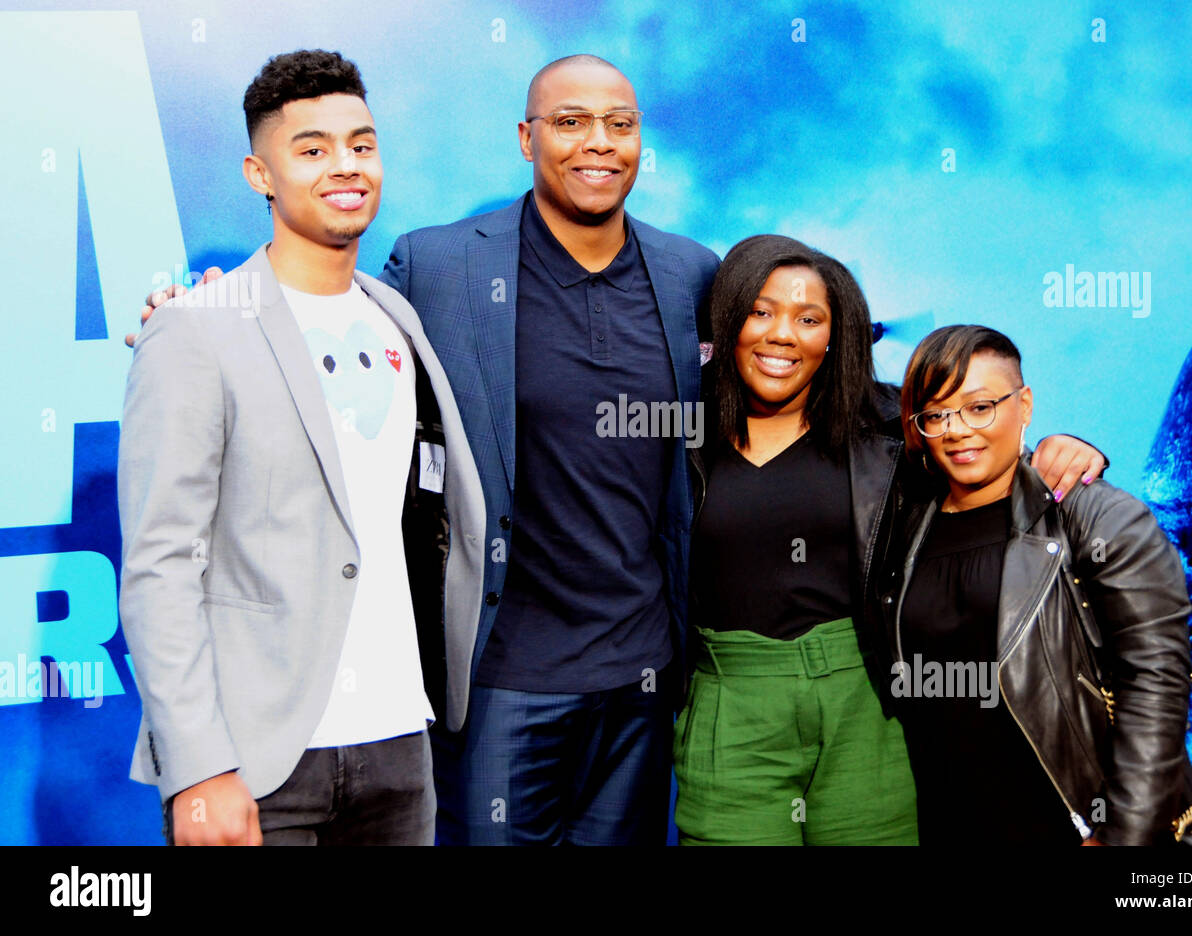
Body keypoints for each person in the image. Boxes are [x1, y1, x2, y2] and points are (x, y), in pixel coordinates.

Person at [135, 54, 718, 845]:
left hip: (638, 678)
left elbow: (771, 390)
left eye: (620, 125)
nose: (599, 144)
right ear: (526, 137)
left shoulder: (690, 274)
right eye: (571, 122)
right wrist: (196, 310)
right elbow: (298, 316)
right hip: (495, 681)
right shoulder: (437, 268)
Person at [118, 50, 486, 845]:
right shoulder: (196, 327)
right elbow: (159, 566)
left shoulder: (399, 317)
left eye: (362, 143)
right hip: (256, 757)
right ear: (261, 173)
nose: (345, 166)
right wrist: (197, 767)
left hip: (400, 746)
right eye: (312, 149)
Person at [676, 236, 1108, 844]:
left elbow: (980, 459)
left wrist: (1063, 452)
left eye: (808, 318)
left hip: (867, 698)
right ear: (728, 319)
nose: (781, 334)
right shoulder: (677, 434)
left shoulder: (885, 427)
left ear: (834, 336)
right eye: (761, 311)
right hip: (731, 700)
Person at [891, 324, 1192, 845]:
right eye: (936, 414)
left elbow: (1156, 684)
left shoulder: (1096, 516)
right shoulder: (906, 524)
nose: (958, 429)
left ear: (1024, 404)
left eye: (980, 406)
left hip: (1079, 827)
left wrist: (1125, 836)